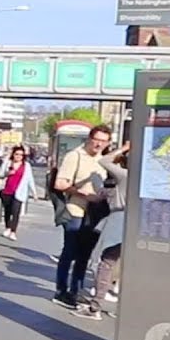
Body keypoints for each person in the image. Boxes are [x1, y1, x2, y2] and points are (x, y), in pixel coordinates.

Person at [52, 124, 111, 309]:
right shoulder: (75, 156)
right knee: (70, 251)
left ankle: (75, 290)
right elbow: (60, 184)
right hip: (75, 210)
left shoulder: (103, 160)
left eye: (103, 141)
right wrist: (84, 194)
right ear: (89, 139)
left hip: (94, 213)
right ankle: (61, 290)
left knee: (85, 254)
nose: (99, 144)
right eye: (96, 140)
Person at [75, 142, 129, 320]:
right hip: (136, 222)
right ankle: (122, 309)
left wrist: (124, 148)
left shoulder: (125, 176)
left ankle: (95, 307)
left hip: (118, 220)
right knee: (125, 265)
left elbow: (104, 161)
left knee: (105, 263)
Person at [0, 145, 37, 240]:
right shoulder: (7, 163)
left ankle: (13, 231)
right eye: (17, 154)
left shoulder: (26, 166)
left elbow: (30, 179)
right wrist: (7, 173)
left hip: (19, 192)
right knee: (8, 210)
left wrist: (34, 192)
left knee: (16, 211)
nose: (19, 156)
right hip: (7, 190)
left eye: (21, 155)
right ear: (13, 154)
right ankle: (8, 227)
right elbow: (0, 175)